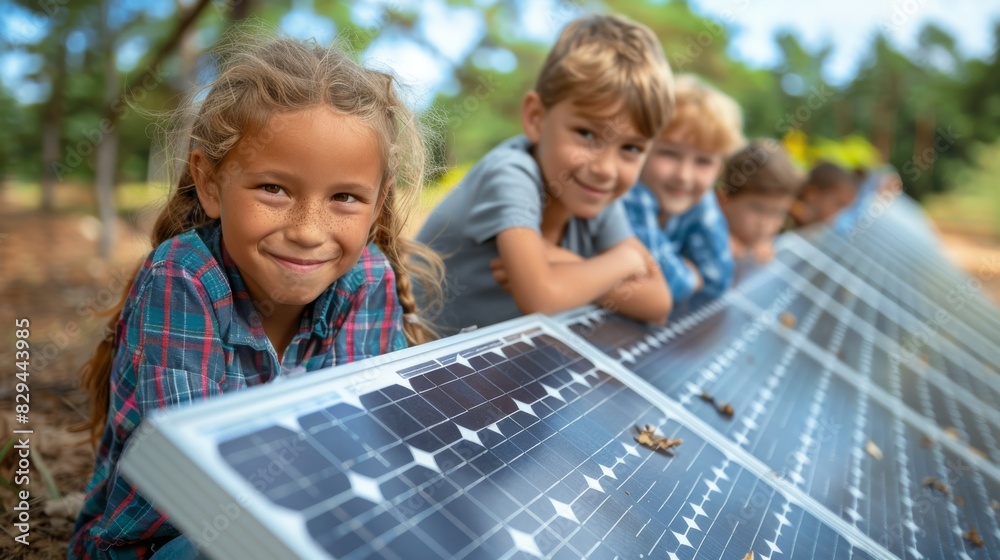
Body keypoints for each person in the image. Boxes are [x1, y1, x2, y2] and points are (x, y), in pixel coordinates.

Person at [69, 33, 441, 560]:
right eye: (275, 189)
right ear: (210, 183)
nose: (309, 231)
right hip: (168, 544)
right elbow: (189, 486)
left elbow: (371, 443)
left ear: (378, 203)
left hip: (316, 528)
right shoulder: (184, 278)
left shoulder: (368, 279)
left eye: (344, 197)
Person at [417, 14, 674, 334]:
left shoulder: (596, 196)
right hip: (417, 354)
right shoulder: (511, 174)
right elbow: (541, 295)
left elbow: (659, 301)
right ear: (536, 118)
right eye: (587, 134)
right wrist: (625, 263)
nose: (606, 169)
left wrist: (567, 264)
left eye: (632, 149)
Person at [622, 74, 745, 302]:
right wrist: (690, 275)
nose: (684, 176)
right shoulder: (631, 194)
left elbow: (719, 278)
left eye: (703, 162)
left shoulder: (699, 200)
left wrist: (675, 272)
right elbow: (669, 283)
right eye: (669, 153)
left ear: (718, 168)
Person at [718, 139, 805, 262]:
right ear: (724, 198)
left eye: (778, 212)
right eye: (758, 208)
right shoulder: (701, 232)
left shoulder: (769, 251)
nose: (765, 224)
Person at [787, 161, 859, 228]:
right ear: (812, 194)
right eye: (839, 204)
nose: (840, 215)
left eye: (845, 209)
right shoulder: (784, 217)